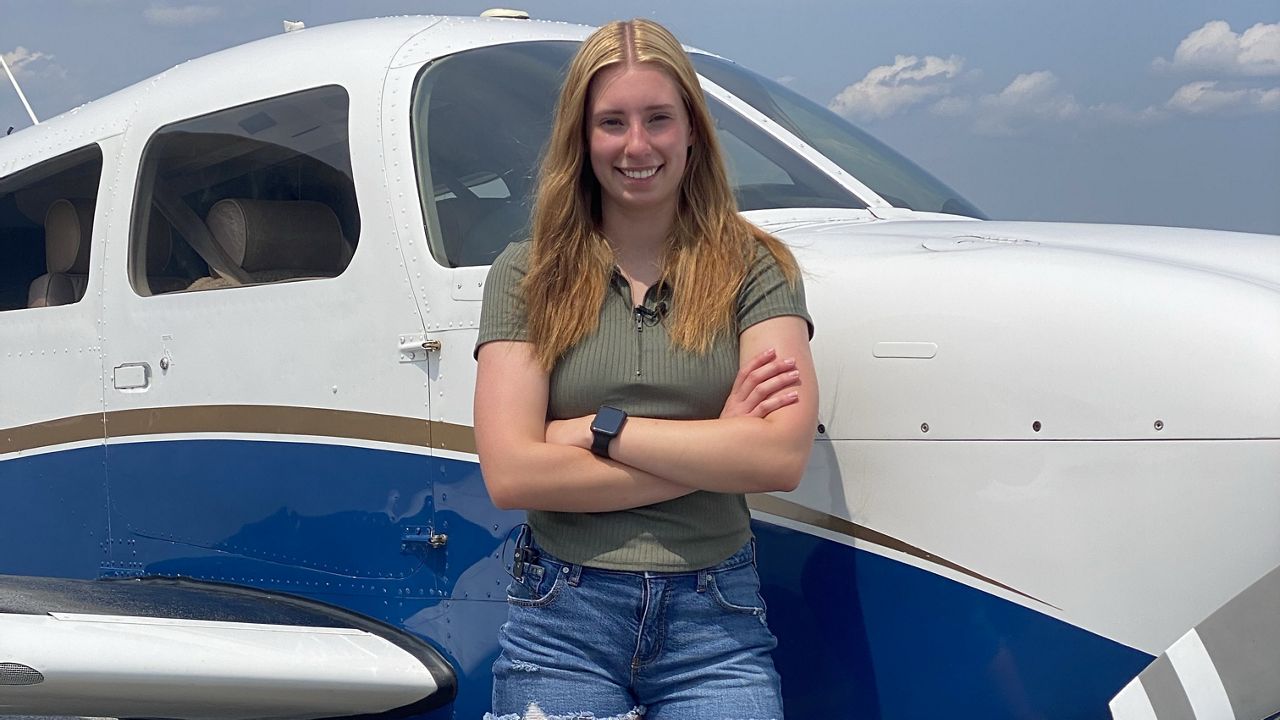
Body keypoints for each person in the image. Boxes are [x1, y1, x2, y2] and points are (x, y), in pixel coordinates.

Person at [474, 17, 817, 720]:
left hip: (716, 624)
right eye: (612, 122)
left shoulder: (757, 269)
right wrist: (715, 449)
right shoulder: (526, 274)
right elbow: (511, 475)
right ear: (581, 137)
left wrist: (599, 431)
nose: (637, 145)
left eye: (658, 118)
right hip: (562, 619)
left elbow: (778, 458)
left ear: (692, 130)